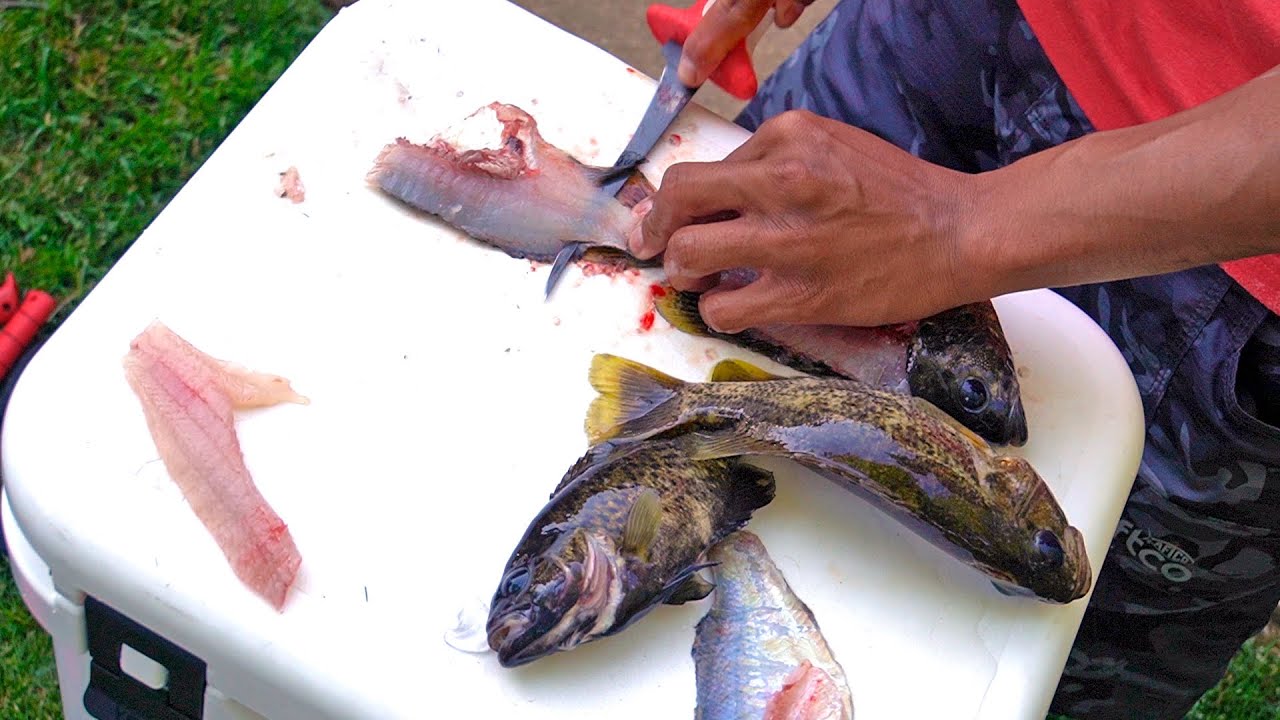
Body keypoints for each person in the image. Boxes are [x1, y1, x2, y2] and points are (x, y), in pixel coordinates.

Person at [627, 1, 1280, 718]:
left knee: (1019, 666)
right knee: (680, 312)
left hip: (1233, 244)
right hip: (947, 31)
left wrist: (960, 227)